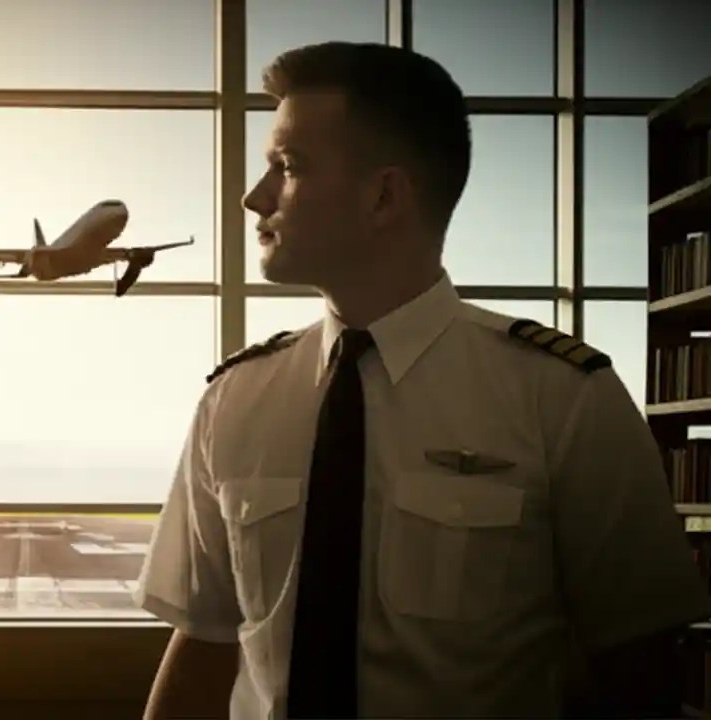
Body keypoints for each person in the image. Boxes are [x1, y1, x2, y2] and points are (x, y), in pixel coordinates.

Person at [132, 40, 711, 719]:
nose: (252, 198)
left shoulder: (562, 398)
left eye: (286, 168)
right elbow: (204, 642)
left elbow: (636, 670)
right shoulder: (233, 400)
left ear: (384, 195)